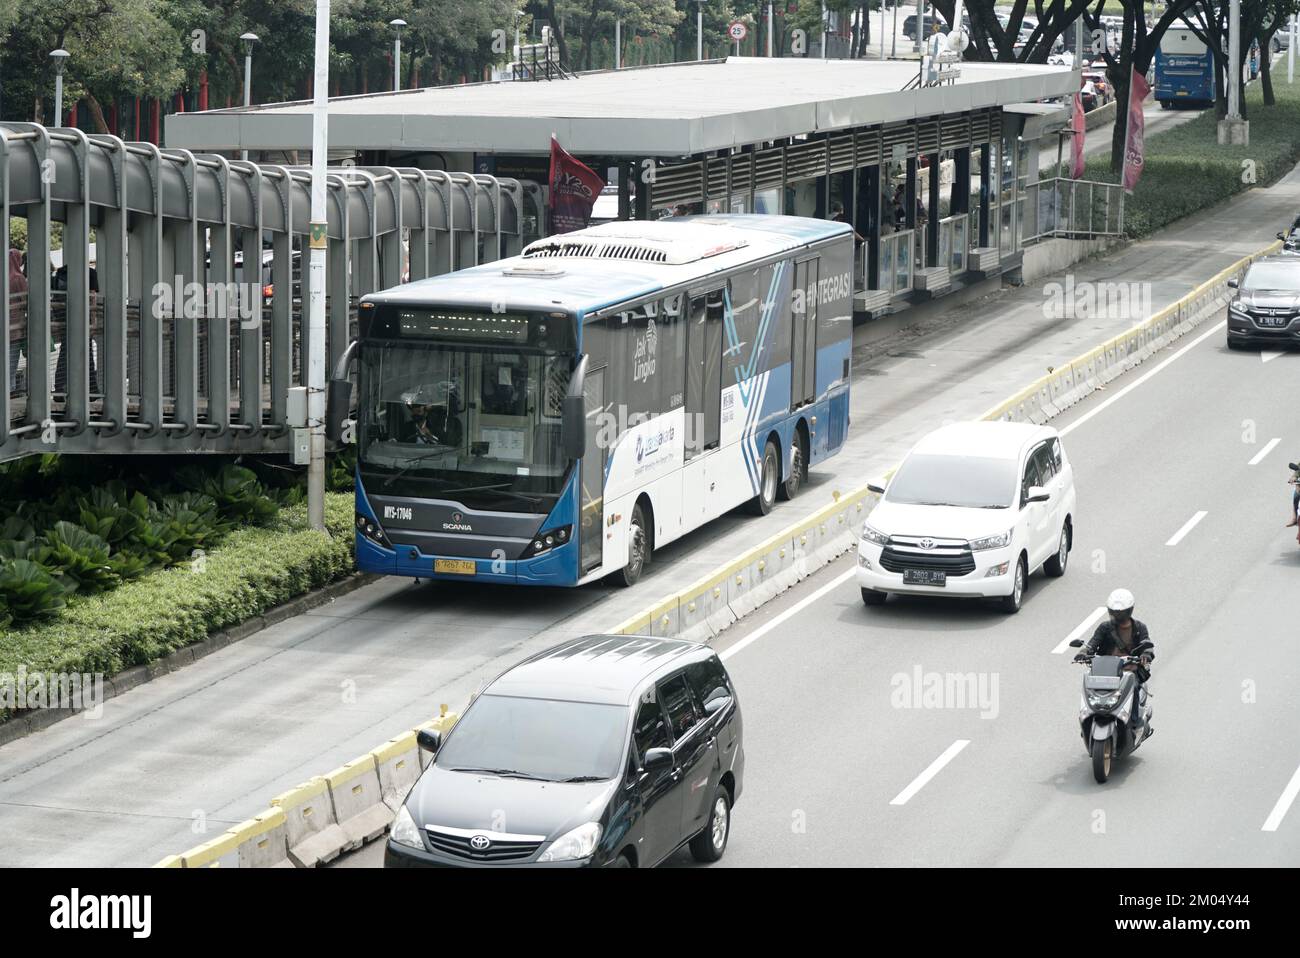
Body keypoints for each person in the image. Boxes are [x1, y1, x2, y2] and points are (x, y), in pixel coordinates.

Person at [1075, 588, 1154, 735]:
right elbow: (1093, 643)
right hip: (1106, 670)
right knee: (1089, 686)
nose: (1117, 615)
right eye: (1114, 612)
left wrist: (1146, 655)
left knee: (1134, 687)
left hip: (1130, 670)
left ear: (1129, 611)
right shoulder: (1105, 627)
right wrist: (1084, 652)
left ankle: (1135, 723)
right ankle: (1087, 718)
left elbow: (1146, 643)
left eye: (1121, 612)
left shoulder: (1139, 628)